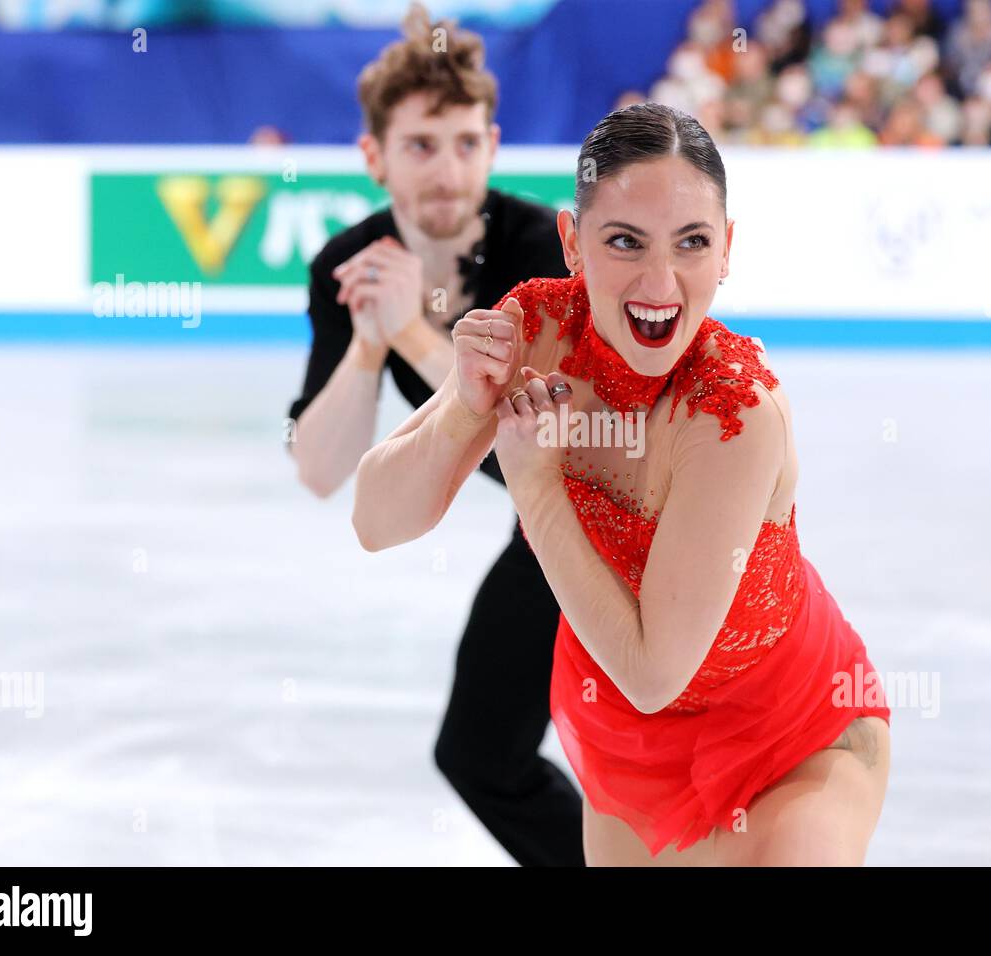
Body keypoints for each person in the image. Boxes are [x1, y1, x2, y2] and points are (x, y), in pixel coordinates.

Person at [351, 102, 892, 866]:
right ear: (573, 241)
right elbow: (375, 521)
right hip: (627, 753)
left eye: (692, 242)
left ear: (727, 248)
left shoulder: (734, 412)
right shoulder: (537, 330)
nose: (660, 283)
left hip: (793, 737)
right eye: (626, 241)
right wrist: (465, 410)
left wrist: (536, 489)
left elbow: (653, 673)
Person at [285, 3, 583, 866]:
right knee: (479, 755)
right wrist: (367, 342)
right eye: (420, 146)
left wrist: (414, 330)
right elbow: (320, 469)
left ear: (493, 145)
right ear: (373, 156)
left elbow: (556, 437)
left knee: (648, 754)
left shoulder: (545, 252)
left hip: (625, 515)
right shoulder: (353, 266)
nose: (448, 172)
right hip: (544, 526)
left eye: (465, 144)